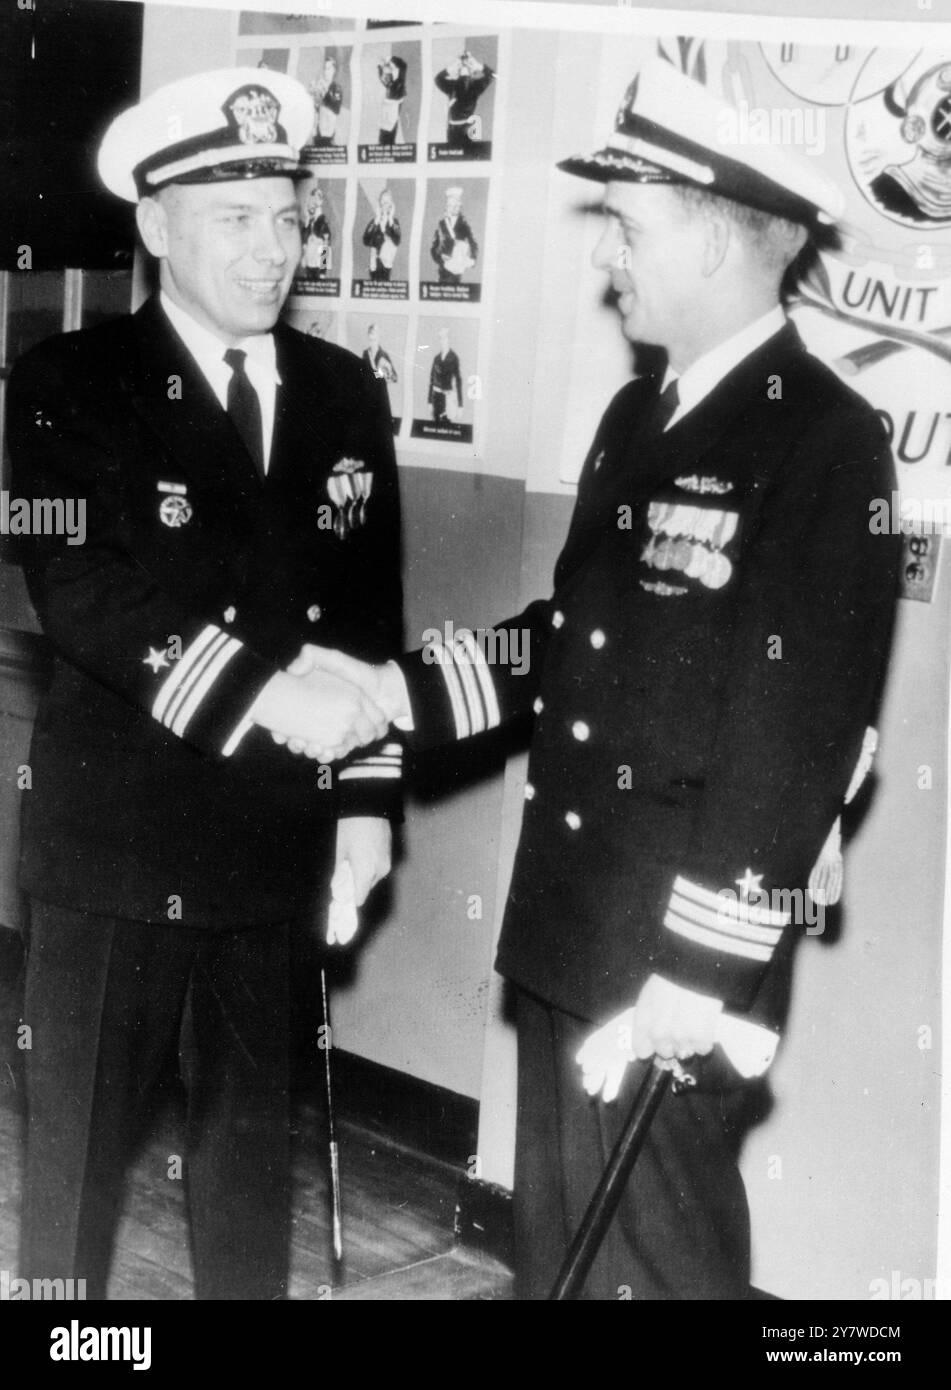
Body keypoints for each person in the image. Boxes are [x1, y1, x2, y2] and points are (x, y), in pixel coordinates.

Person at [294, 60, 901, 1299]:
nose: (605, 258)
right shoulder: (640, 416)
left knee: (659, 1272)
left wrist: (698, 974)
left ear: (724, 239)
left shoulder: (826, 442)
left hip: (673, 964)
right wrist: (394, 694)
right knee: (562, 1260)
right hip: (573, 926)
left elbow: (795, 736)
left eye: (627, 225)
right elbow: (568, 634)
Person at [7, 67, 403, 1302]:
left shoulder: (345, 393)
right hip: (112, 851)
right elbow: (80, 594)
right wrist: (275, 699)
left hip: (268, 850)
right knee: (69, 1178)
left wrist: (366, 806)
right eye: (236, 219)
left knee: (244, 1174)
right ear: (157, 225)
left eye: (288, 215)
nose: (272, 248)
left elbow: (369, 624)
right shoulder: (67, 386)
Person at [434, 51, 494, 147]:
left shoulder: (475, 86)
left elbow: (494, 75)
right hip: (453, 129)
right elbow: (437, 79)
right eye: (463, 62)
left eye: (467, 62)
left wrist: (478, 65)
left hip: (466, 129)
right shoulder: (452, 85)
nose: (464, 64)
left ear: (472, 69)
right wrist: (454, 66)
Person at [430, 186, 477, 284]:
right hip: (443, 269)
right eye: (451, 205)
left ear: (460, 205)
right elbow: (434, 247)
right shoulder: (442, 224)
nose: (455, 207)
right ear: (447, 206)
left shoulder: (464, 224)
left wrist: (472, 259)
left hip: (457, 270)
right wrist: (440, 258)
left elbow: (473, 243)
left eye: (457, 204)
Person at [362, 188, 401, 281]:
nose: (384, 204)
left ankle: (322, 276)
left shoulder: (393, 222)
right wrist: (376, 221)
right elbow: (366, 240)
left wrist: (391, 219)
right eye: (382, 201)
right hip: (374, 265)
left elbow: (397, 240)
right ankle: (321, 276)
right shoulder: (375, 222)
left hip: (386, 264)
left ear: (391, 205)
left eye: (387, 202)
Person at [428, 326, 462, 422]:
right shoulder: (436, 358)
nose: (442, 341)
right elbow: (431, 380)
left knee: (446, 427)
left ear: (449, 339)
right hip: (436, 398)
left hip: (448, 398)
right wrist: (429, 402)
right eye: (440, 338)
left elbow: (458, 381)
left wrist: (460, 405)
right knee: (435, 425)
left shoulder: (454, 358)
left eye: (445, 338)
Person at [310, 55, 344, 147]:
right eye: (324, 68)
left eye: (328, 68)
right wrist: (314, 96)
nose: (326, 72)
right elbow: (315, 108)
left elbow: (336, 108)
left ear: (333, 70)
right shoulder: (319, 85)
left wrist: (325, 92)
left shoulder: (336, 88)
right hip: (318, 133)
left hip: (328, 134)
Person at [301, 183, 332, 279]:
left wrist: (323, 270)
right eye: (311, 200)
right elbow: (304, 242)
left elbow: (325, 246)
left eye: (316, 201)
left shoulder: (322, 222)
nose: (312, 204)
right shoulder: (308, 222)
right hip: (309, 261)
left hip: (317, 263)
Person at [377, 55, 407, 146]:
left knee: (386, 140)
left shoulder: (398, 84)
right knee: (384, 140)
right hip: (386, 121)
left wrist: (388, 59)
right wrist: (380, 66)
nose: (388, 68)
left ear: (397, 69)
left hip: (389, 123)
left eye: (391, 67)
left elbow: (403, 65)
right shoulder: (393, 82)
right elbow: (382, 78)